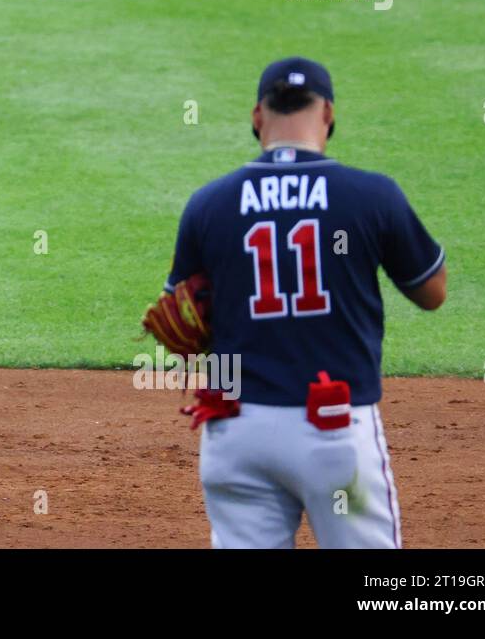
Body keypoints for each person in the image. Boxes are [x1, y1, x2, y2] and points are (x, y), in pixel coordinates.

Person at [147, 57, 446, 548]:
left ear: (257, 116)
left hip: (236, 430)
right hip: (333, 433)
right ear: (327, 112)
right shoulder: (371, 196)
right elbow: (432, 292)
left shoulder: (209, 204)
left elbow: (179, 318)